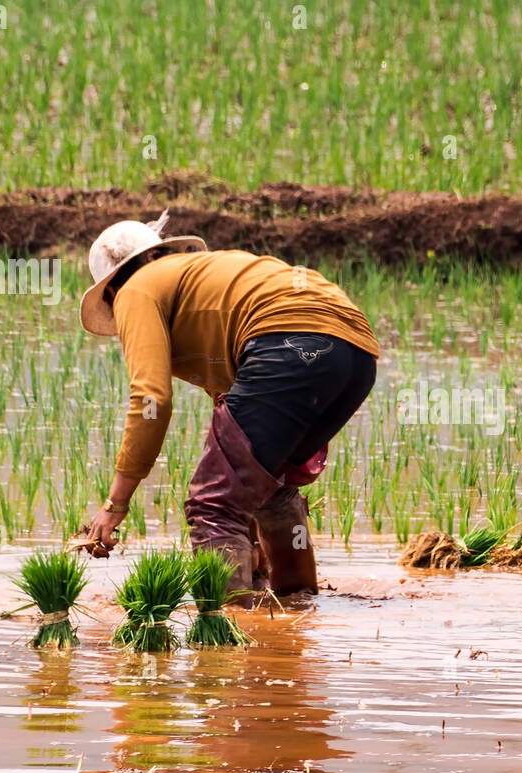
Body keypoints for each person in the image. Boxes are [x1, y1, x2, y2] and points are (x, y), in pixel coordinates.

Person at [78, 212, 378, 599]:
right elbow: (240, 447)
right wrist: (248, 540)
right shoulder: (198, 279)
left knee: (213, 504)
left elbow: (151, 398)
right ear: (157, 253)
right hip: (355, 351)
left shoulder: (135, 290)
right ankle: (295, 606)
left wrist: (114, 504)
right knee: (270, 489)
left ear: (108, 292)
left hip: (284, 341)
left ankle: (224, 633)